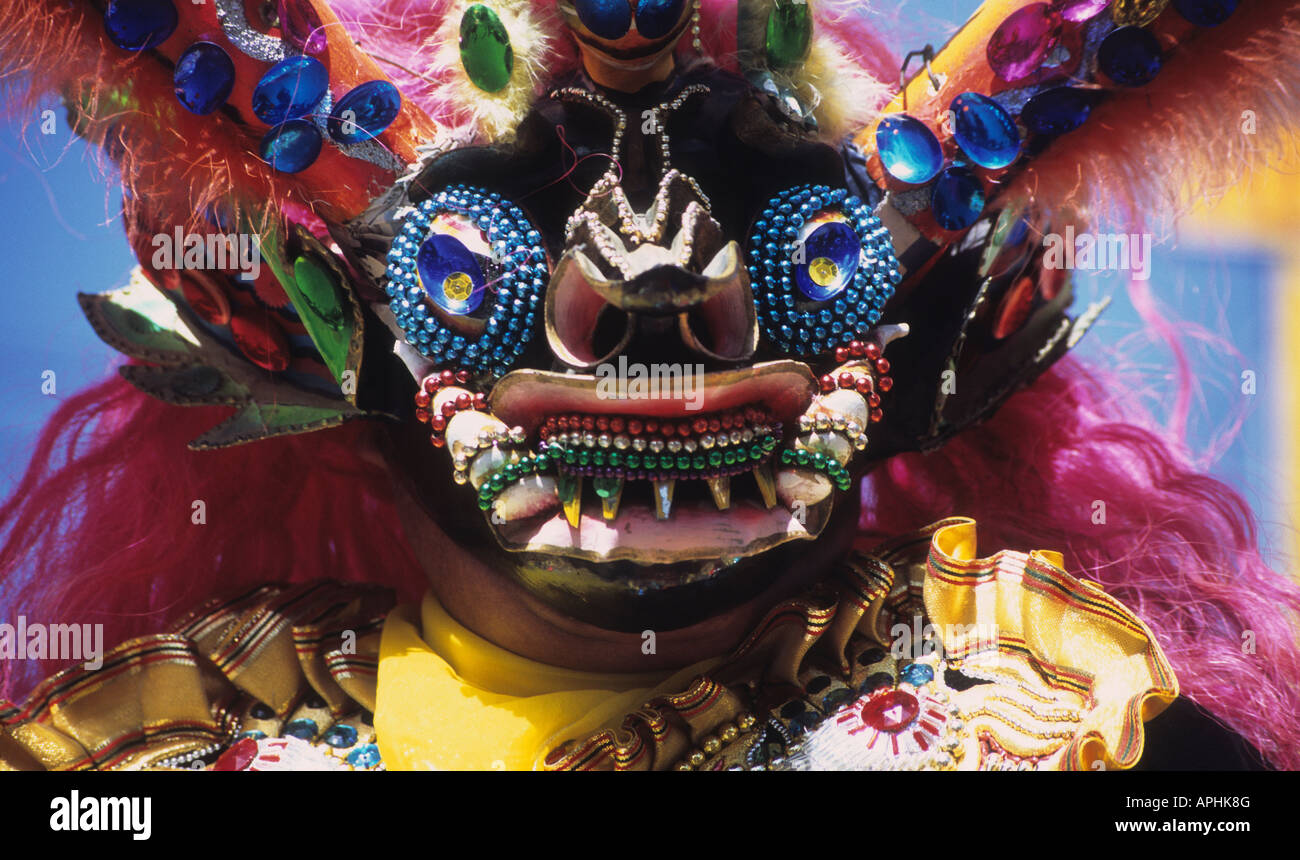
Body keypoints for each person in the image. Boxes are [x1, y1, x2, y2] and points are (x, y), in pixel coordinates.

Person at [0, 0, 1296, 771]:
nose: (657, 292)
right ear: (306, 333)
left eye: (802, 257)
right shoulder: (170, 754)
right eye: (476, 275)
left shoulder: (1063, 736)